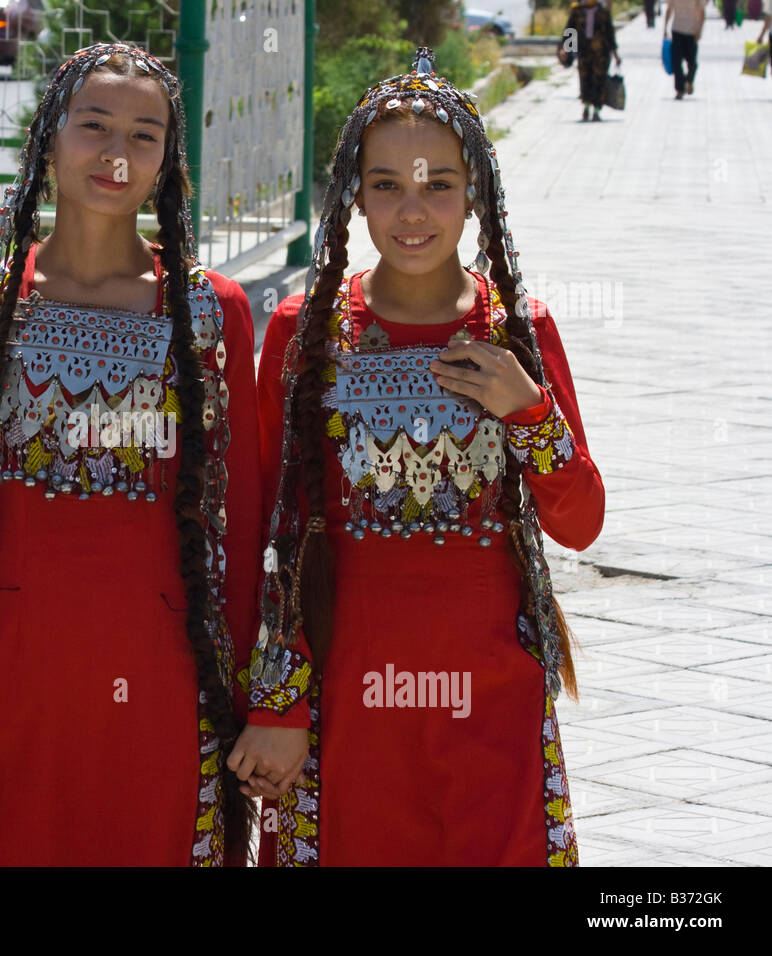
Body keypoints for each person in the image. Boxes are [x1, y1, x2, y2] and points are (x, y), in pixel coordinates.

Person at [0, 43, 261, 866]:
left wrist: (258, 701)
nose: (116, 155)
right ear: (48, 137)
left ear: (168, 159)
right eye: (93, 126)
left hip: (166, 673)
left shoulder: (209, 313)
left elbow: (244, 520)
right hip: (16, 669)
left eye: (144, 135)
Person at [233, 48, 605, 866]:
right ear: (353, 197)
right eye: (386, 184)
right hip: (345, 695)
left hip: (491, 696)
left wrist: (529, 413)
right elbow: (272, 530)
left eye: (439, 184)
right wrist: (280, 703)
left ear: (475, 195)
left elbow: (579, 523)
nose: (413, 211)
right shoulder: (305, 331)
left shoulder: (521, 332)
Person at [566, 0, 621, 120]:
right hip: (584, 52)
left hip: (601, 54)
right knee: (585, 79)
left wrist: (615, 54)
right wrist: (567, 50)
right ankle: (586, 106)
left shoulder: (603, 13)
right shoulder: (577, 12)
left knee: (599, 80)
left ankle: (596, 109)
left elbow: (610, 35)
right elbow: (570, 31)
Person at [666, 0, 706, 98]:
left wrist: (700, 30)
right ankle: (680, 88)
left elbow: (702, 11)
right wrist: (665, 27)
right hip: (678, 29)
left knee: (691, 62)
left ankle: (689, 81)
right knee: (677, 62)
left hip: (691, 31)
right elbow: (669, 9)